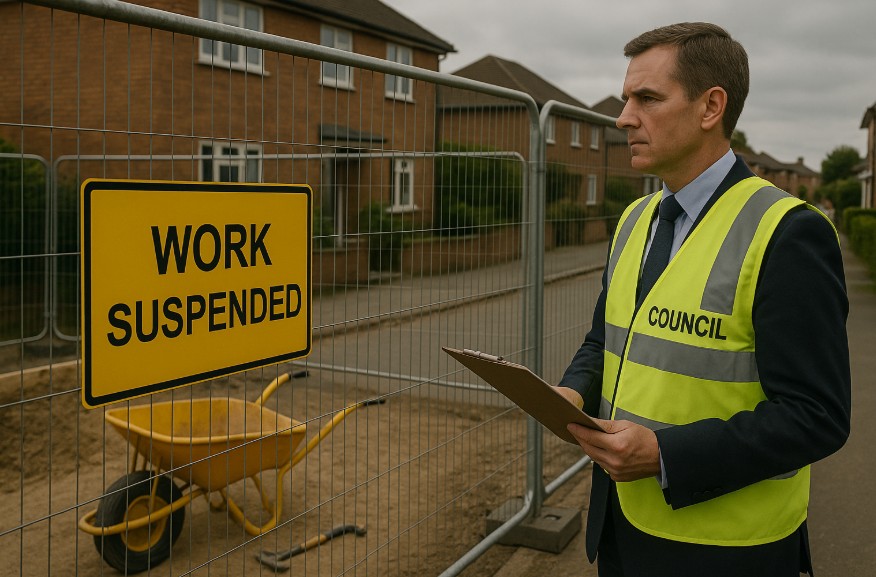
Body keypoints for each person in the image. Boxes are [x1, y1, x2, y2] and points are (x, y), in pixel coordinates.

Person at [555, 22, 851, 577]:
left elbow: (818, 416)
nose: (623, 118)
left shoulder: (787, 233)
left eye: (647, 98)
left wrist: (666, 455)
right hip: (620, 526)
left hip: (727, 551)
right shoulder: (635, 219)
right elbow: (606, 338)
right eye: (626, 99)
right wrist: (572, 391)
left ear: (711, 106)